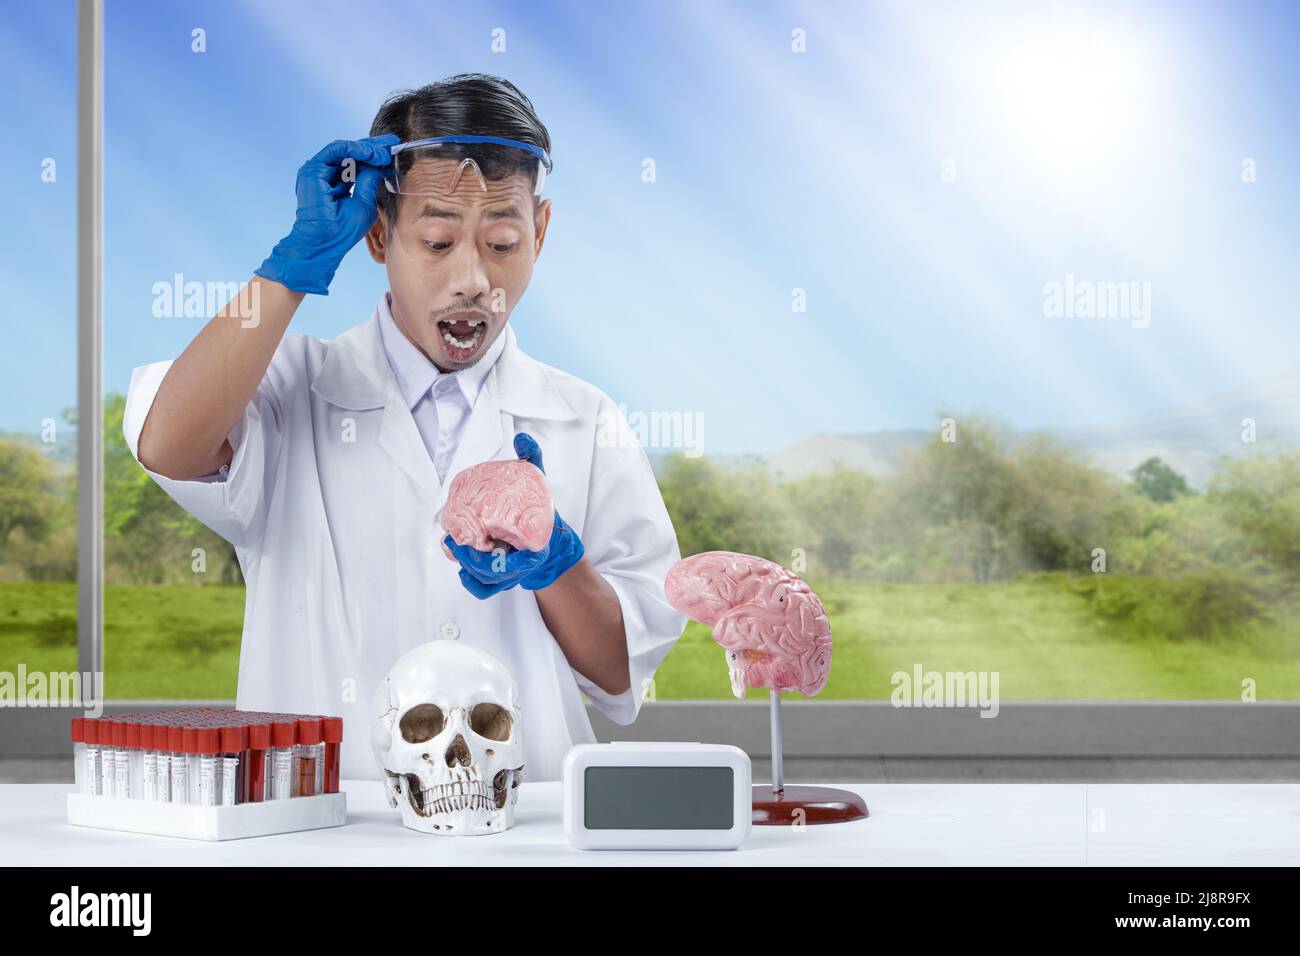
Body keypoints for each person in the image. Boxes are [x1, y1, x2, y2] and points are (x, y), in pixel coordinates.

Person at [122, 73, 685, 783]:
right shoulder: (292, 389)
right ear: (379, 233)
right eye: (439, 240)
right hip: (324, 826)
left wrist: (558, 568)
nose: (475, 279)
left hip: (525, 829)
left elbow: (617, 674)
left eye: (504, 242)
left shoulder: (584, 419)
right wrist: (292, 267)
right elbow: (169, 444)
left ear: (541, 231)